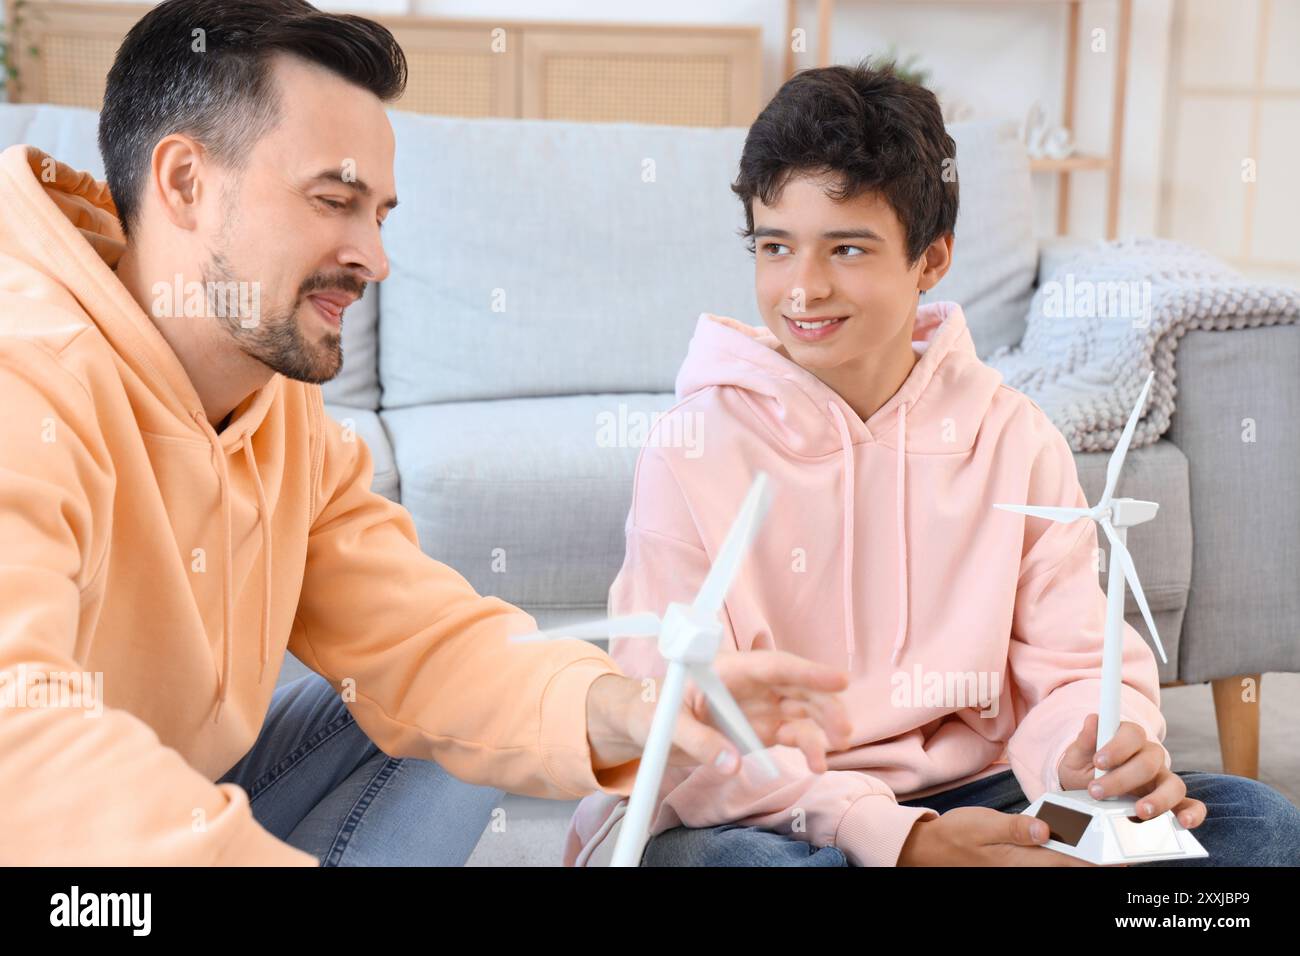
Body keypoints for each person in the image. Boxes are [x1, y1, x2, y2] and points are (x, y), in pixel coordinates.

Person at [0, 0, 852, 866]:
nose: (373, 257)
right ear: (184, 181)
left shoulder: (271, 391)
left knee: (455, 712)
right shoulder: (25, 381)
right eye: (334, 200)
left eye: (380, 214)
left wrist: (629, 706)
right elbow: (18, 739)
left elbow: (421, 639)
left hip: (184, 781)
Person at [563, 61, 1300, 867]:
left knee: (1258, 824)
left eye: (847, 248)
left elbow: (1074, 666)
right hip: (779, 812)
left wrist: (1096, 750)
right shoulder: (691, 449)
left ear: (932, 259)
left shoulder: (1014, 436)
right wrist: (899, 840)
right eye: (777, 247)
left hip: (987, 789)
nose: (802, 289)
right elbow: (677, 727)